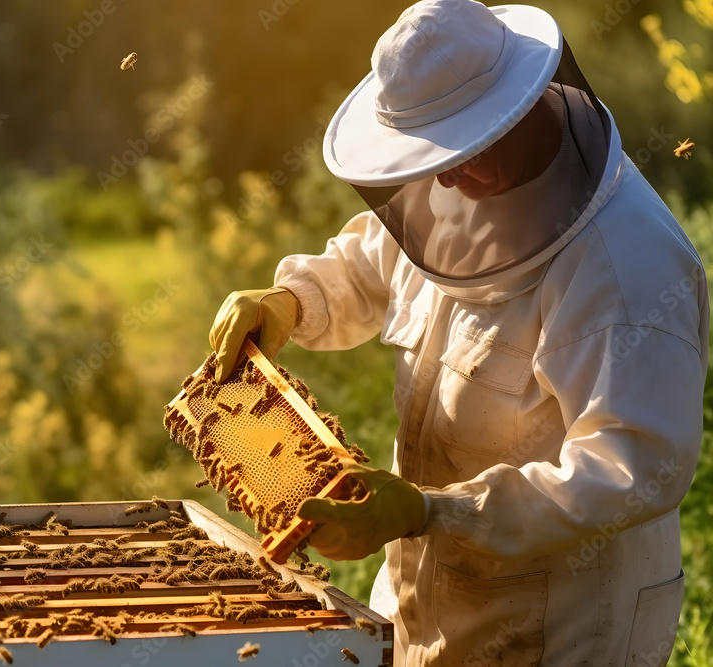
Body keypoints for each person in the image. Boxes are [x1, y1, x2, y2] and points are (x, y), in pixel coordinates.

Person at [208, 0, 709, 664]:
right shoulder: (460, 181)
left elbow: (626, 471)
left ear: (522, 108)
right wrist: (288, 302)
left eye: (461, 151)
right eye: (432, 156)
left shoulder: (625, 267)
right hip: (423, 600)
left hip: (559, 627)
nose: (444, 177)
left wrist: (431, 510)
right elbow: (368, 265)